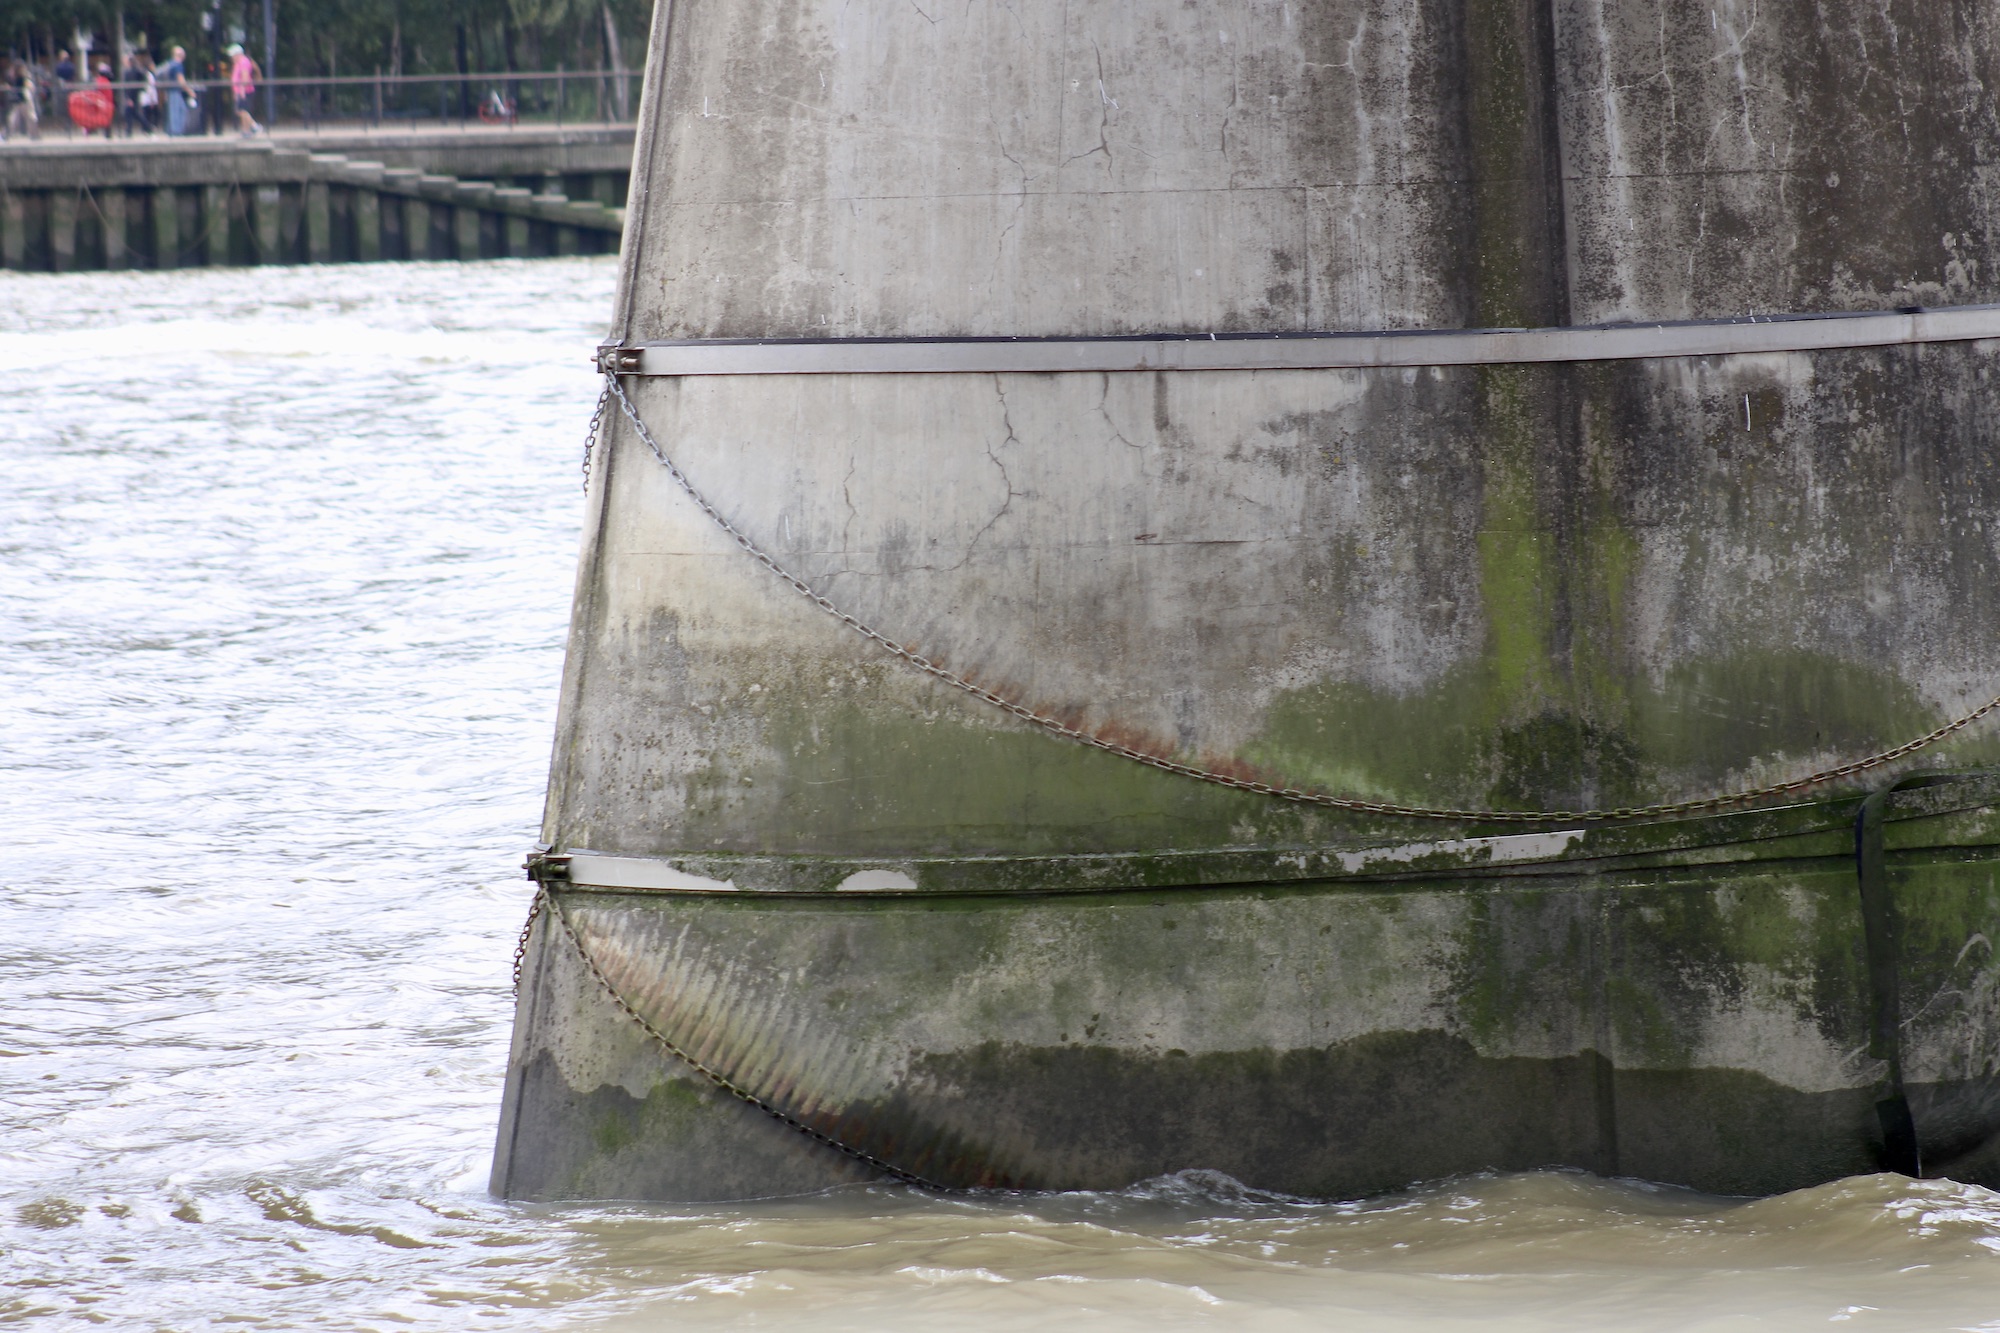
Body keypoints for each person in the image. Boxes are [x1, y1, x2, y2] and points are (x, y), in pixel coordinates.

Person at [226, 43, 261, 135]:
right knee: (242, 111)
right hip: (240, 91)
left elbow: (245, 77)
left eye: (233, 56)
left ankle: (254, 126)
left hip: (245, 91)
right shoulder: (238, 63)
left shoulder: (244, 62)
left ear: (238, 54)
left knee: (242, 111)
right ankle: (246, 131)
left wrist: (242, 90)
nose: (232, 58)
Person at [157, 45, 191, 136]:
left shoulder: (170, 63)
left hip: (169, 90)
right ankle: (176, 132)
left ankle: (171, 130)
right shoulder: (178, 65)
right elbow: (181, 80)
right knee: (177, 111)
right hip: (175, 91)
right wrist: (190, 91)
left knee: (176, 110)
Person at [4, 59, 39, 141]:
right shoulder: (22, 76)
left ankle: (7, 134)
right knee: (29, 117)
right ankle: (34, 134)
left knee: (15, 117)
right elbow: (29, 85)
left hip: (18, 99)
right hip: (24, 99)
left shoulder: (14, 76)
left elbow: (10, 86)